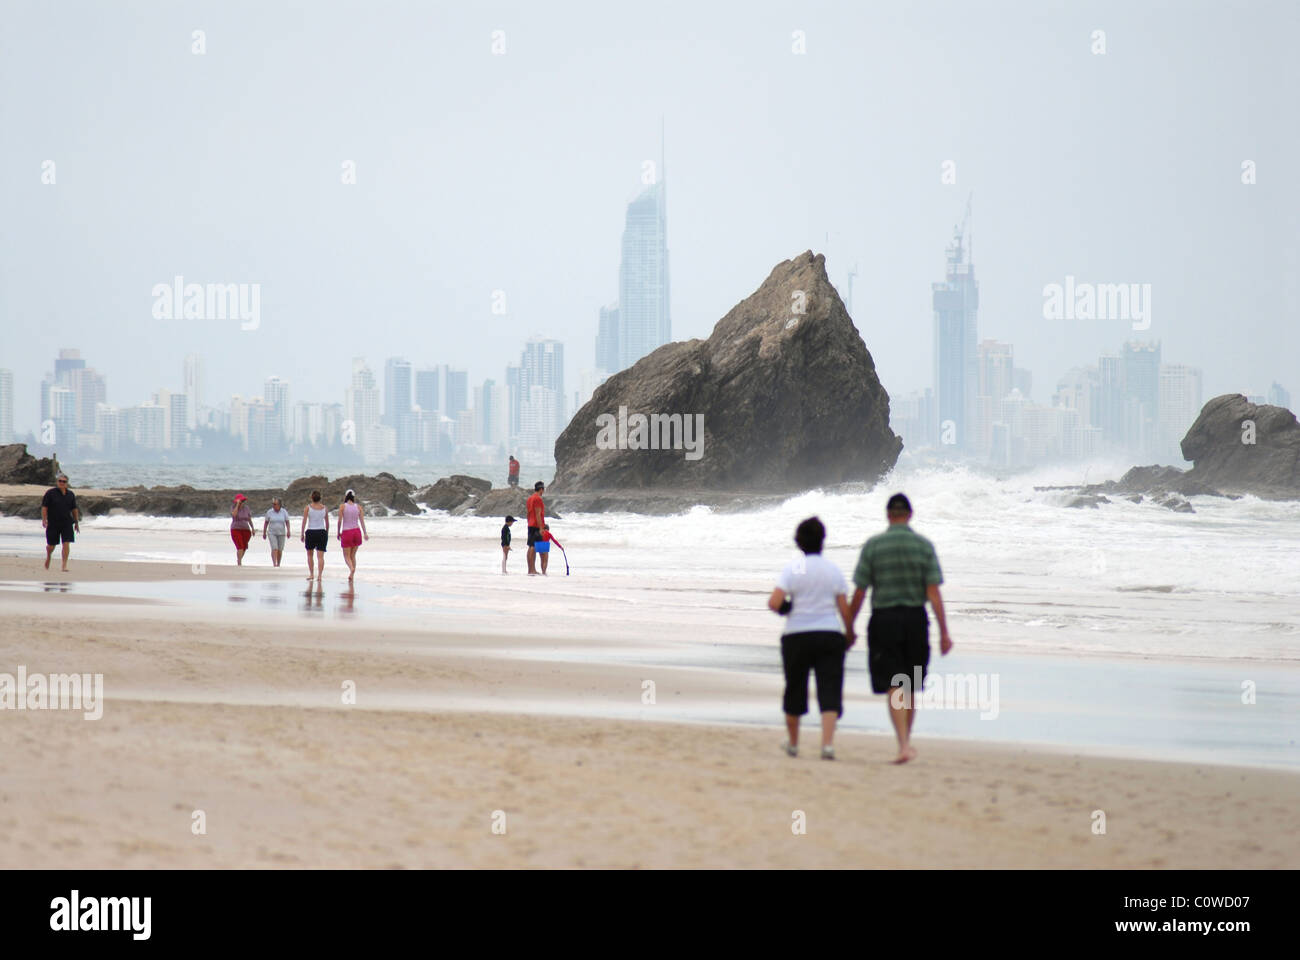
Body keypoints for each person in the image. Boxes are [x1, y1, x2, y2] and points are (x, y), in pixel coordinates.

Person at [846, 493, 952, 765]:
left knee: (895, 684)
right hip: (916, 621)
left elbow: (859, 592)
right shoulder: (923, 546)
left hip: (884, 621)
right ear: (910, 514)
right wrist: (944, 633)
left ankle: (903, 742)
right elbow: (933, 593)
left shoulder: (874, 546)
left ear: (888, 515)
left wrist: (848, 626)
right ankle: (906, 741)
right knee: (910, 684)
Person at [767, 517, 854, 760]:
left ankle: (793, 744)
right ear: (822, 541)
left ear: (799, 542)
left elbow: (774, 602)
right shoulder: (833, 570)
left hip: (797, 636)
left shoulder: (793, 569)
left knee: (795, 688)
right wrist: (849, 633)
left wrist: (788, 609)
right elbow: (844, 609)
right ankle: (827, 745)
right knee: (829, 689)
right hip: (829, 635)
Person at [41, 472, 80, 572]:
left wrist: (76, 523)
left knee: (66, 543)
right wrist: (44, 519)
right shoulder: (50, 493)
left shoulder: (70, 494)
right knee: (51, 546)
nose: (62, 483)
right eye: (60, 481)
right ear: (57, 482)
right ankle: (49, 555)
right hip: (53, 523)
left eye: (64, 481)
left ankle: (64, 565)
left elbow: (74, 509)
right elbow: (44, 507)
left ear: (67, 483)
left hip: (67, 523)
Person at [337, 489, 368, 583]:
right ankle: (352, 575)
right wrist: (365, 533)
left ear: (346, 496)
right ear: (353, 497)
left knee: (346, 556)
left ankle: (351, 569)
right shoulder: (358, 507)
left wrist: (338, 532)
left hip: (347, 532)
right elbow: (362, 521)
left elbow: (340, 521)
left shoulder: (342, 506)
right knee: (353, 556)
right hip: (357, 532)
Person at [301, 490, 329, 582]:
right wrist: (326, 532)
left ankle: (312, 574)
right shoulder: (325, 508)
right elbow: (327, 522)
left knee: (310, 555)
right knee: (320, 557)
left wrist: (302, 533)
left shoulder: (308, 508)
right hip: (321, 532)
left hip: (311, 532)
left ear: (311, 498)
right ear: (320, 498)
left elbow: (304, 521)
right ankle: (320, 576)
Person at [262, 497, 292, 567]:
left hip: (281, 533)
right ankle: (274, 563)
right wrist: (264, 532)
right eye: (273, 504)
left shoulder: (284, 512)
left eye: (275, 504)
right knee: (274, 548)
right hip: (272, 533)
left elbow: (287, 522)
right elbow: (266, 522)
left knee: (280, 550)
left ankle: (278, 563)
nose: (274, 505)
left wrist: (288, 531)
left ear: (279, 504)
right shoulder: (269, 512)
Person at [525, 481, 546, 576]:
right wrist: (541, 528)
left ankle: (530, 569)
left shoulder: (530, 498)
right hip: (536, 525)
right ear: (541, 489)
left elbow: (528, 513)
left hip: (530, 524)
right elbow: (538, 514)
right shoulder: (538, 499)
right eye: (543, 490)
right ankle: (532, 570)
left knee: (530, 547)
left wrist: (528, 522)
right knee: (533, 547)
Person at [230, 494, 254, 565]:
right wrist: (237, 505)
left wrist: (252, 528)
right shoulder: (233, 507)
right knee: (240, 546)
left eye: (243, 501)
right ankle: (239, 562)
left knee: (244, 546)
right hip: (235, 529)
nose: (242, 503)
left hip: (246, 530)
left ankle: (239, 559)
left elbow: (249, 519)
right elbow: (234, 515)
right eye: (240, 501)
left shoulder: (246, 508)